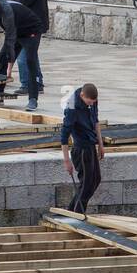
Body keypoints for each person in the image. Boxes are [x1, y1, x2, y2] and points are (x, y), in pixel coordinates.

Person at [61, 83, 103, 213]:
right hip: (81, 149)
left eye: (93, 102)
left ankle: (72, 210)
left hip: (91, 145)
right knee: (86, 183)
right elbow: (64, 136)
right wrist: (67, 161)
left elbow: (96, 121)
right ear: (82, 95)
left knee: (96, 180)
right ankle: (77, 212)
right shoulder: (72, 108)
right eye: (88, 102)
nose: (91, 104)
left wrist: (100, 145)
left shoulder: (92, 100)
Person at [12, 0, 49, 95]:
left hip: (32, 24)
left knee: (23, 55)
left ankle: (27, 84)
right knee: (31, 53)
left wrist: (12, 6)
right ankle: (37, 82)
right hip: (29, 22)